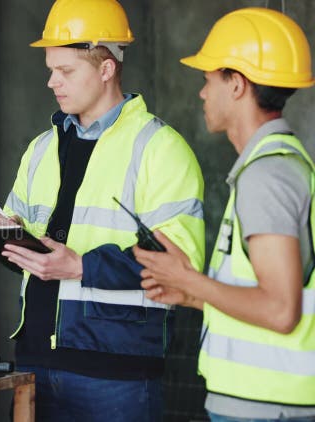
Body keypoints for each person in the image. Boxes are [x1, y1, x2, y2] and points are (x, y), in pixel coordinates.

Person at [0, 0, 205, 420]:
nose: (52, 82)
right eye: (50, 69)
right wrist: (6, 235)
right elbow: (33, 257)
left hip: (118, 372)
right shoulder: (40, 148)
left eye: (66, 71)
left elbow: (180, 261)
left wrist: (81, 266)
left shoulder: (159, 149)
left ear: (106, 69)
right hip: (34, 363)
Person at [135, 8, 315, 421]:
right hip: (264, 404)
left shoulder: (267, 176)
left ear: (236, 84)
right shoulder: (274, 166)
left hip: (267, 407)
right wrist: (193, 295)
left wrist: (190, 280)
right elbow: (264, 298)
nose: (202, 93)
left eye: (208, 79)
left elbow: (280, 310)